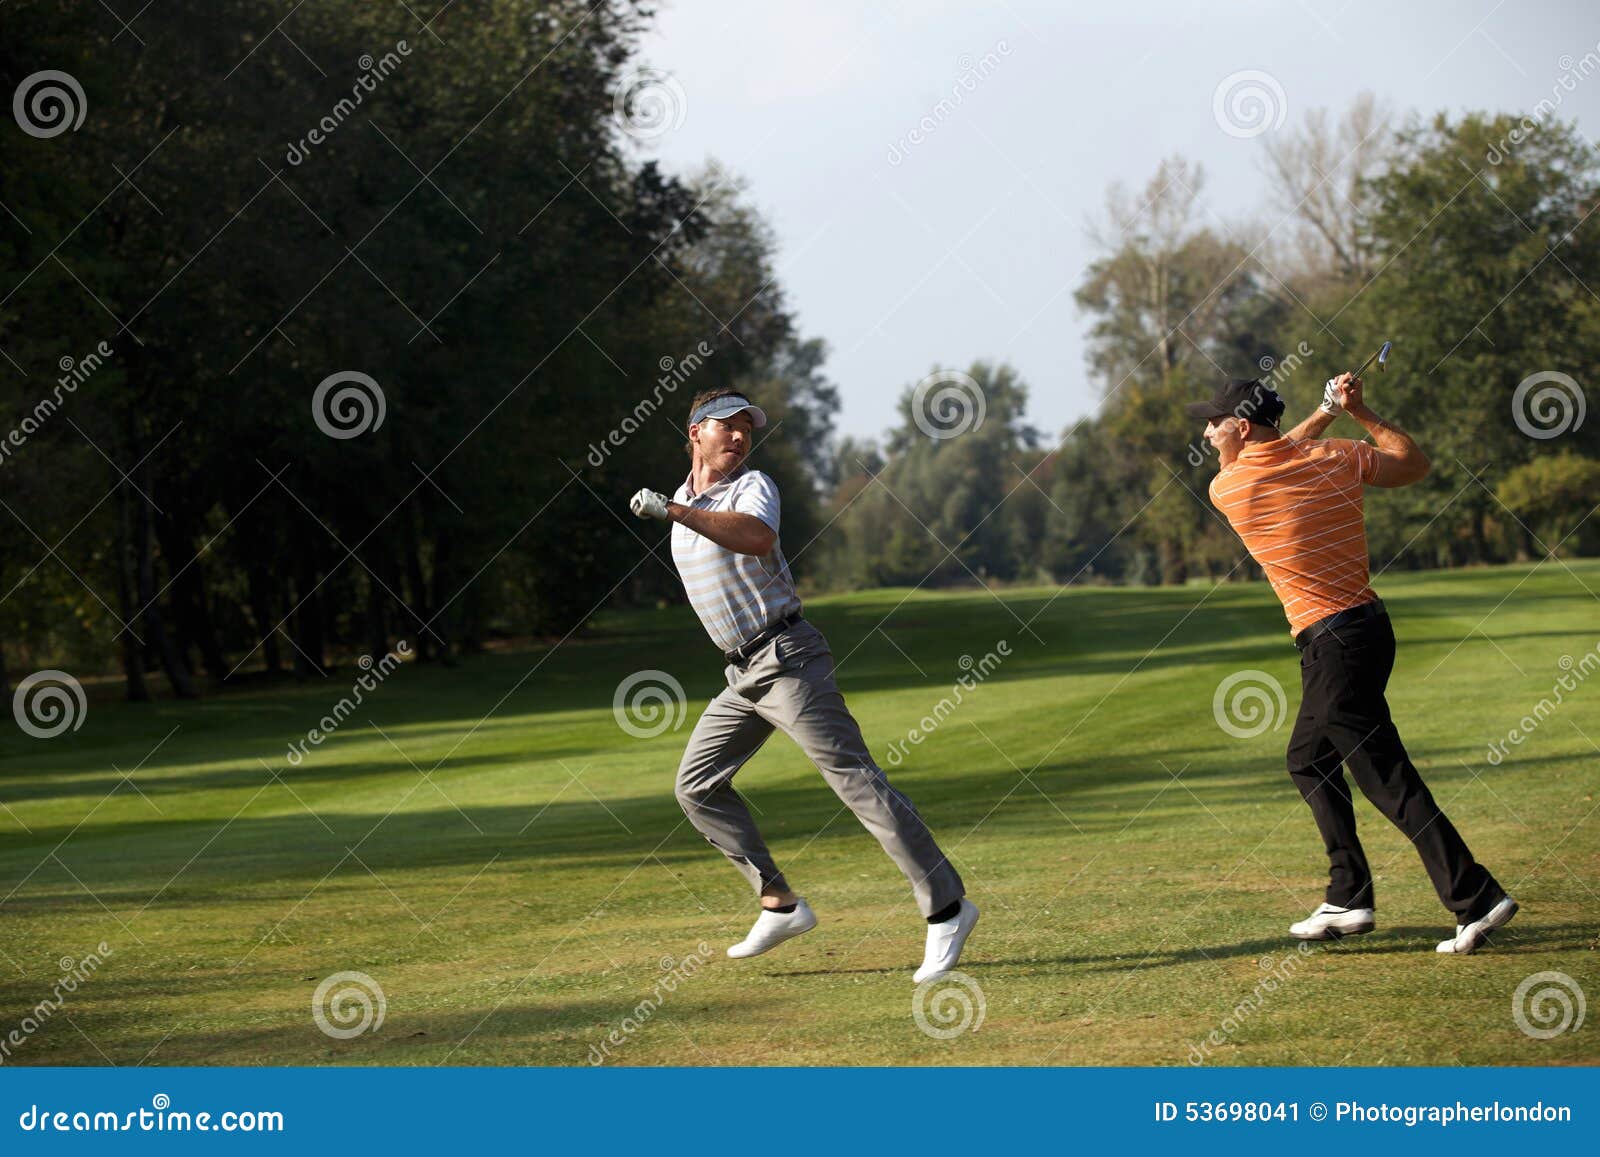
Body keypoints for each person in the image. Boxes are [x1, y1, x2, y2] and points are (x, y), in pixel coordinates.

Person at [628, 387, 978, 981]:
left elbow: (756, 537)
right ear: (695, 433)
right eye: (727, 425)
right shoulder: (683, 500)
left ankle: (947, 907)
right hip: (742, 674)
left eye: (747, 428)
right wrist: (677, 508)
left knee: (856, 782)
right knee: (696, 787)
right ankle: (780, 904)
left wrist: (673, 513)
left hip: (786, 657)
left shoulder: (751, 488)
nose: (739, 436)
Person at [1184, 373, 1517, 954]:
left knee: (1386, 777)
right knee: (1308, 759)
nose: (1207, 434)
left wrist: (1327, 411)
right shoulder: (1336, 457)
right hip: (1365, 631)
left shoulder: (1230, 487)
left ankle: (1476, 898)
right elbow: (1412, 464)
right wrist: (1355, 412)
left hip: (1334, 644)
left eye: (1214, 423)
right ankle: (1348, 895)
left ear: (1241, 427)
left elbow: (1278, 451)